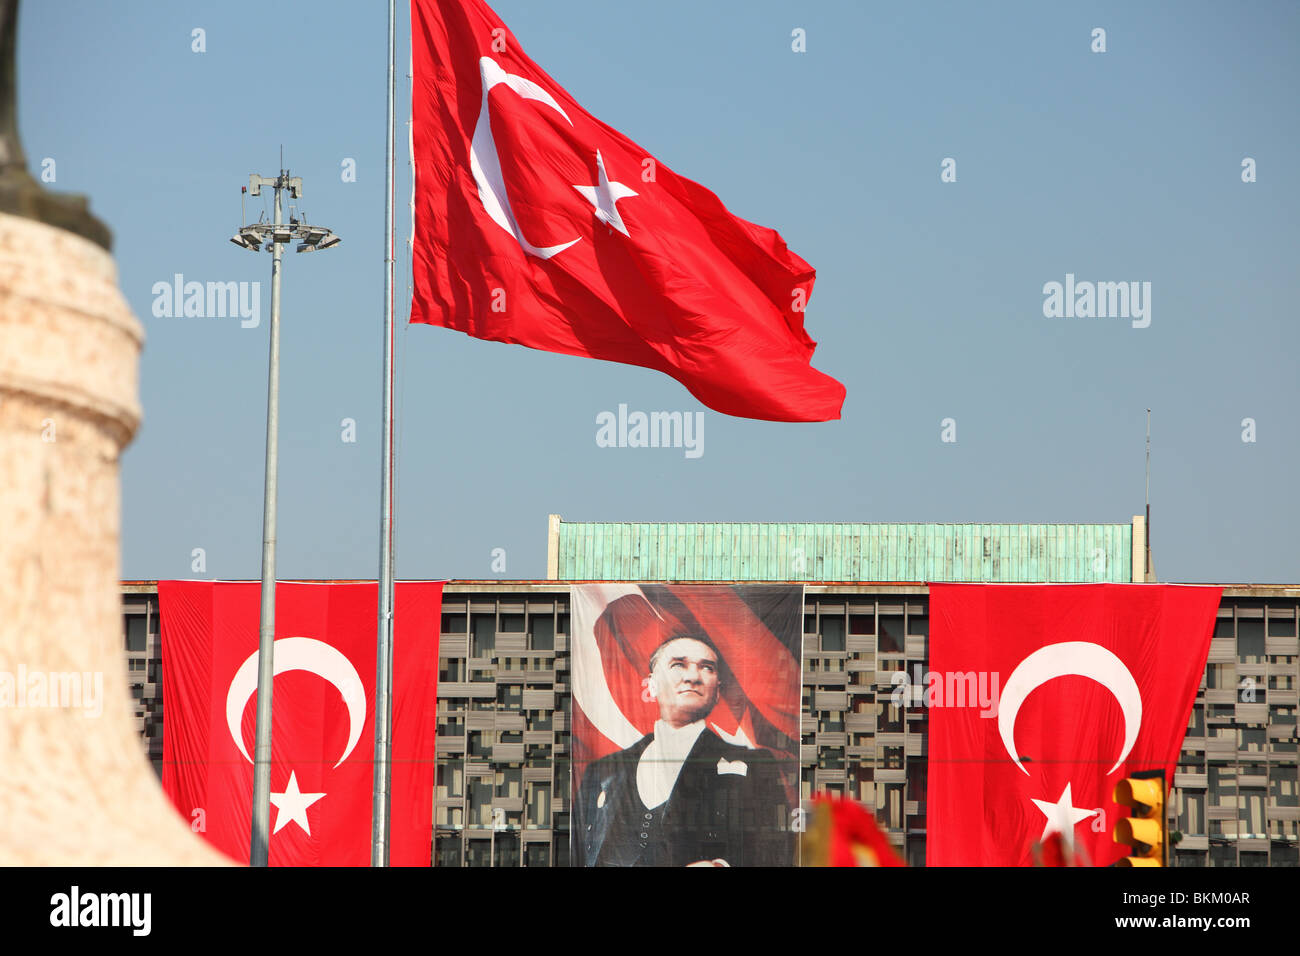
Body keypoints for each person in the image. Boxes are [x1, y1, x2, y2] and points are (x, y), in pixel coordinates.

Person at [574, 634, 796, 866]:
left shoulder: (754, 766)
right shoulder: (603, 772)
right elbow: (580, 850)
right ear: (651, 684)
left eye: (707, 668)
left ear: (717, 690)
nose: (692, 677)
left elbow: (777, 847)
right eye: (678, 664)